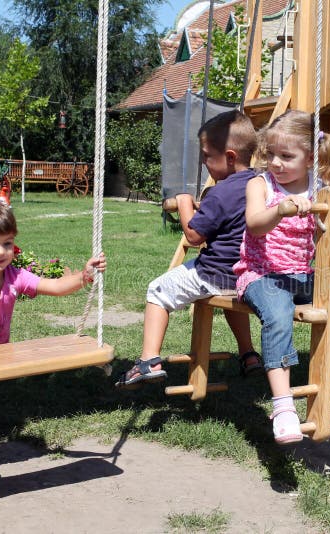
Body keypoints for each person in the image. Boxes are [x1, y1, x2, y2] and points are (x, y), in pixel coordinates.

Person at [0, 200, 106, 494]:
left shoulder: (15, 277)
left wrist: (84, 276)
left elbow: (55, 287)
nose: (0, 252)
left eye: (7, 243)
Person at [233, 110, 330, 444]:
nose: (276, 163)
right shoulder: (260, 184)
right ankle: (284, 406)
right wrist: (279, 209)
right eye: (271, 154)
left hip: (302, 275)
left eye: (286, 156)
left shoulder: (320, 191)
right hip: (261, 275)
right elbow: (255, 224)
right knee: (278, 315)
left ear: (311, 157)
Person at [115, 110, 261, 388]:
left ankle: (149, 360)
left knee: (157, 290)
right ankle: (249, 354)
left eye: (207, 156)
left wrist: (184, 203)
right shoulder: (261, 185)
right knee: (232, 303)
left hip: (214, 273)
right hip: (244, 275)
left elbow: (194, 235)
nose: (204, 162)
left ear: (230, 157)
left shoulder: (222, 192)